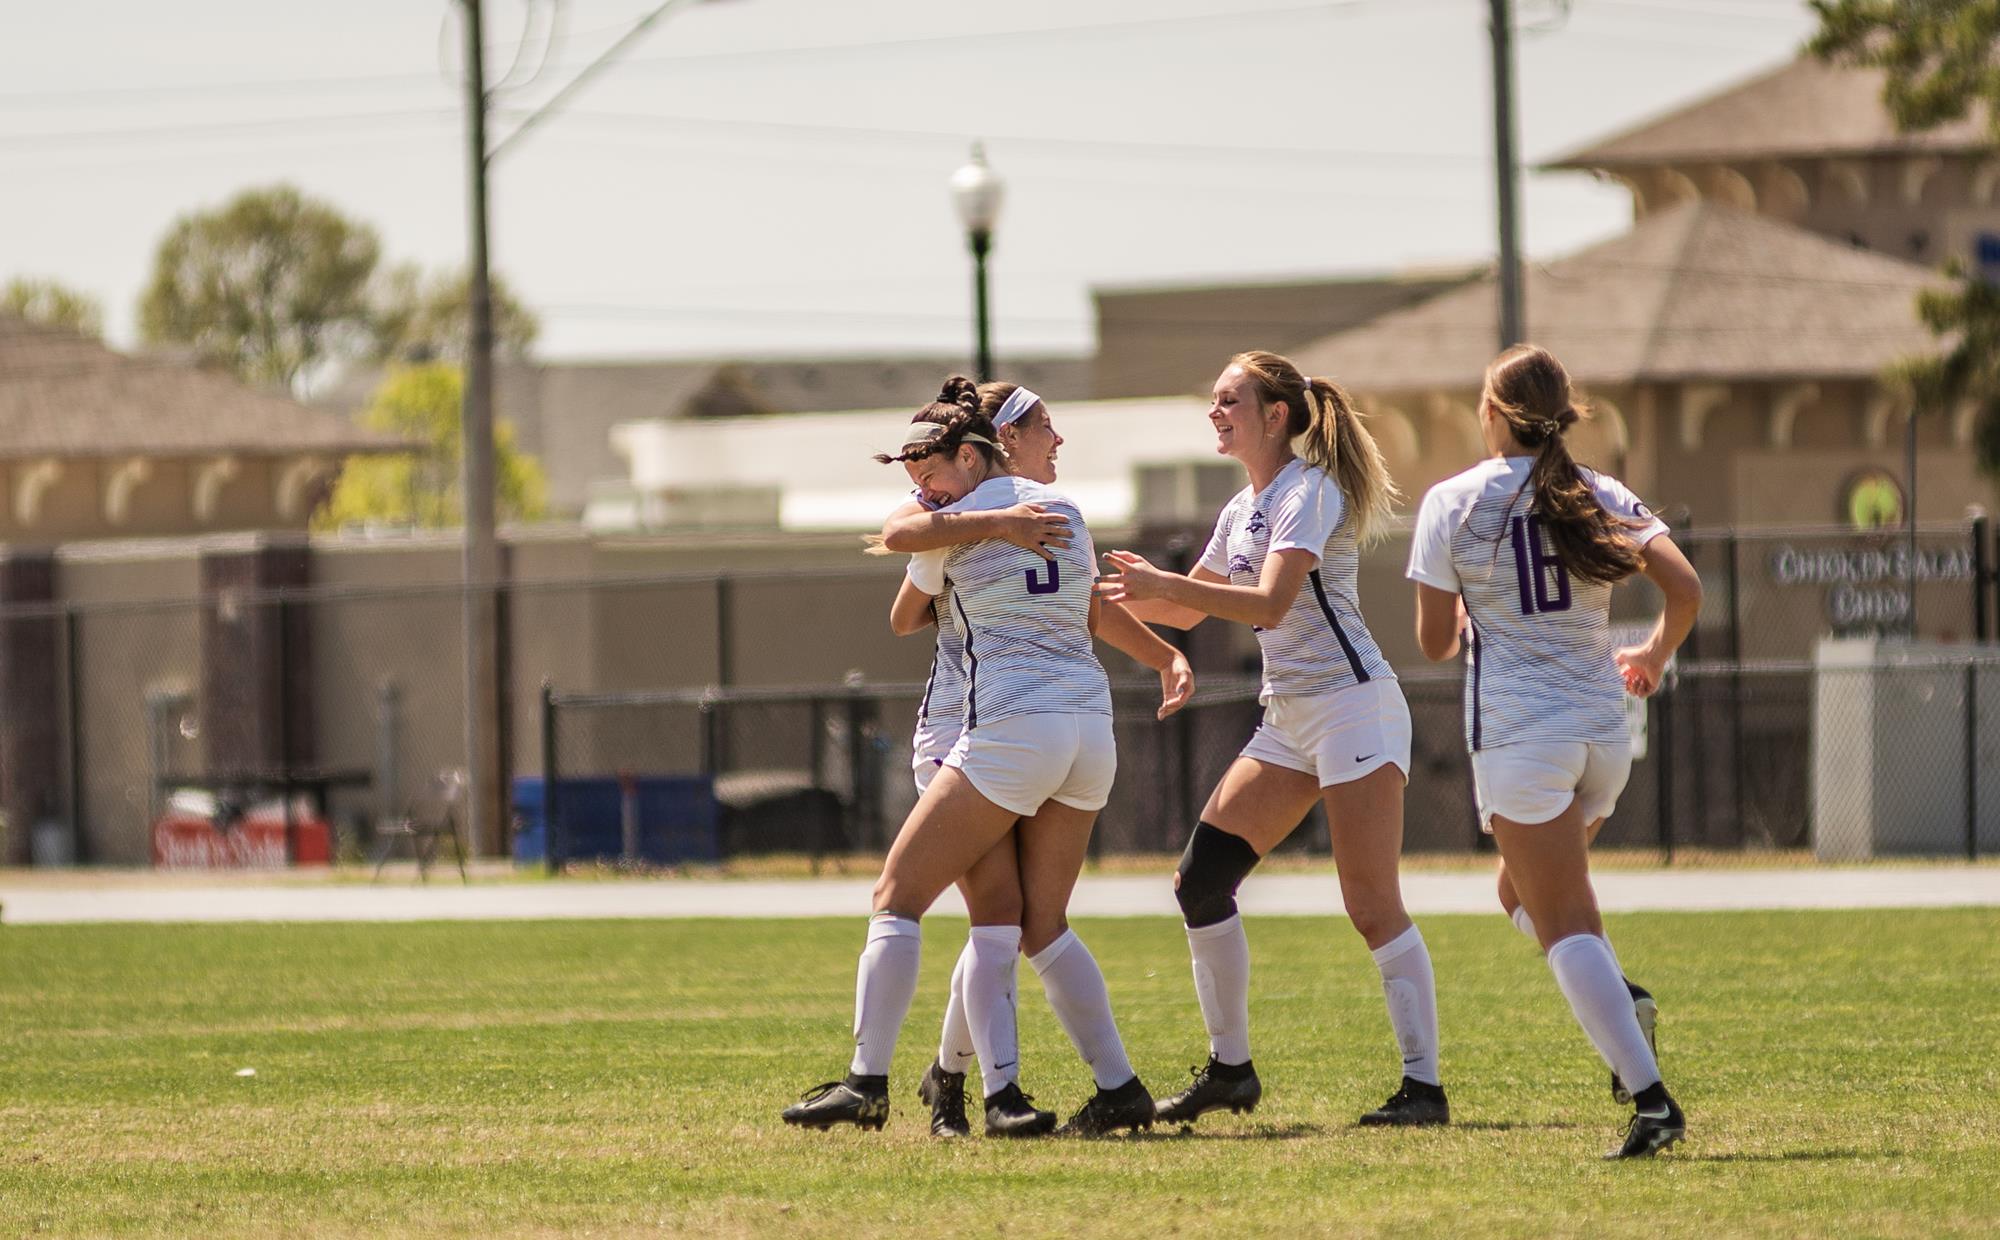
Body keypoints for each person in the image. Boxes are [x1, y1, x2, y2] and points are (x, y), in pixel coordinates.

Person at [782, 378, 1155, 1138]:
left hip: (1008, 731)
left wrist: (967, 524)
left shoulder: (950, 522)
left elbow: (898, 556)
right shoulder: (1067, 510)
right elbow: (1086, 607)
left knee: (897, 896)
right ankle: (1090, 1089)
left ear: (977, 451)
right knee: (1032, 924)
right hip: (1089, 730)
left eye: (929, 470)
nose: (921, 488)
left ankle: (866, 1084)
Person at [1096, 350, 1450, 1128]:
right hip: (1290, 716)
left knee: (1371, 904)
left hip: (1356, 707)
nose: (1216, 412)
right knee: (1200, 882)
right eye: (1214, 401)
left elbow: (1269, 602)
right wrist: (1080, 595)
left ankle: (1423, 1089)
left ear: (1276, 415)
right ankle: (1231, 1072)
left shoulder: (1310, 491)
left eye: (1230, 400)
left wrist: (1162, 584)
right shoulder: (1240, 508)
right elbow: (1188, 615)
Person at [866, 382, 1193, 1138]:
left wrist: (1161, 655)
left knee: (1007, 922)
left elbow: (1088, 608)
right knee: (1007, 922)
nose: (1059, 438)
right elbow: (903, 610)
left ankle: (961, 1081)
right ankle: (990, 1087)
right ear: (1001, 441)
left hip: (1008, 730)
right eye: (1046, 423)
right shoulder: (965, 518)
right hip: (963, 731)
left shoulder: (1042, 516)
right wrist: (980, 532)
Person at [1405, 343, 1701, 1160]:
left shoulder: (1452, 500)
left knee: (1564, 922)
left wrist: (1470, 619)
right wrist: (1652, 657)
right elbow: (1685, 589)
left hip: (1522, 737)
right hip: (1604, 734)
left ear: (1493, 412)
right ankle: (1625, 997)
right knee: (1521, 891)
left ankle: (1653, 1104)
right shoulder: (1597, 489)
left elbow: (1432, 644)